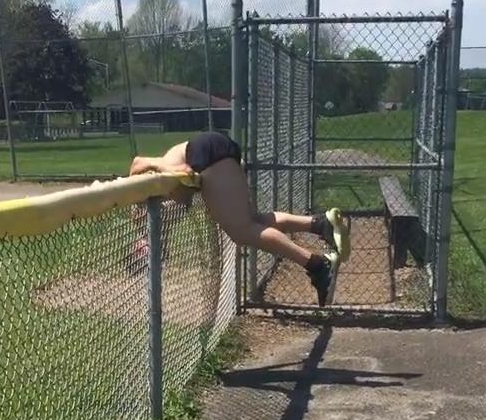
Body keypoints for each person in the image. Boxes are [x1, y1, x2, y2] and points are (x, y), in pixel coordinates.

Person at [129, 129, 351, 306]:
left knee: (241, 231)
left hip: (203, 153)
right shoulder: (158, 218)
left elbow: (139, 162)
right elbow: (179, 202)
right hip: (211, 153)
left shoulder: (140, 201)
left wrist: (166, 167)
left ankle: (317, 265)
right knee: (252, 222)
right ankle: (320, 224)